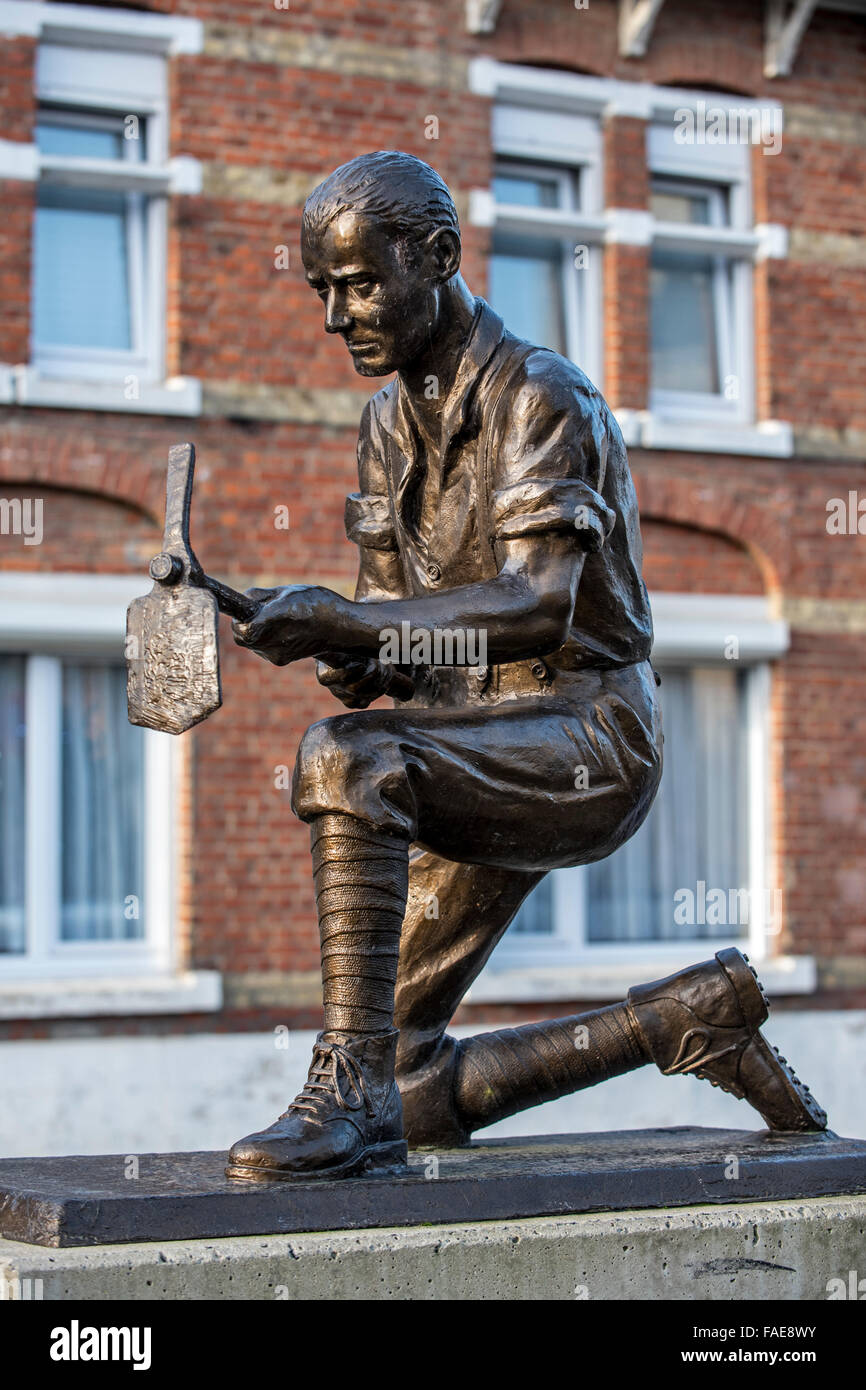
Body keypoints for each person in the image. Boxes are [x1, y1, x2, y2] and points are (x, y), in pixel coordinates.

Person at [225, 151, 826, 1182]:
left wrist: (361, 638)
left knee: (345, 759)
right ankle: (684, 1019)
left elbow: (535, 603)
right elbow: (404, 634)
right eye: (323, 289)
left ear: (441, 257)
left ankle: (344, 1088)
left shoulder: (542, 396)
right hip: (468, 733)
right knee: (407, 1083)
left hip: (585, 732)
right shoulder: (381, 430)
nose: (336, 316)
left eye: (361, 282)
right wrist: (342, 649)